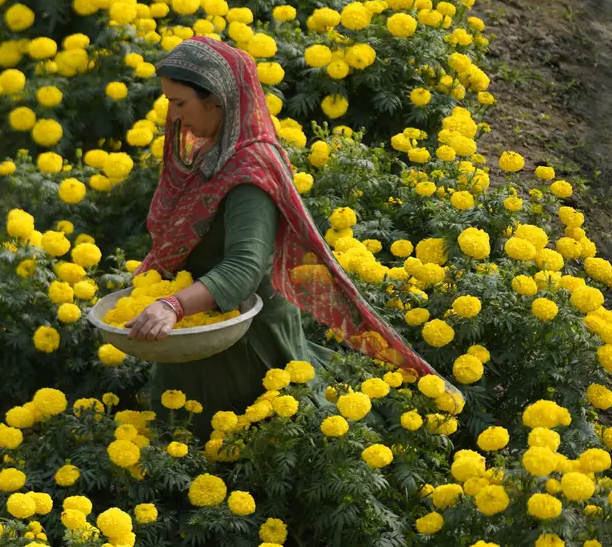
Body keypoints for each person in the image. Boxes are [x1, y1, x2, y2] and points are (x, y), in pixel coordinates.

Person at [125, 36, 451, 422]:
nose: (174, 116)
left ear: (218, 100)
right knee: (178, 447)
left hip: (244, 339)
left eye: (180, 103)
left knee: (249, 443)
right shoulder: (209, 153)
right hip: (191, 327)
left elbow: (243, 269)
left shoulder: (248, 172)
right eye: (170, 103)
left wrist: (171, 304)